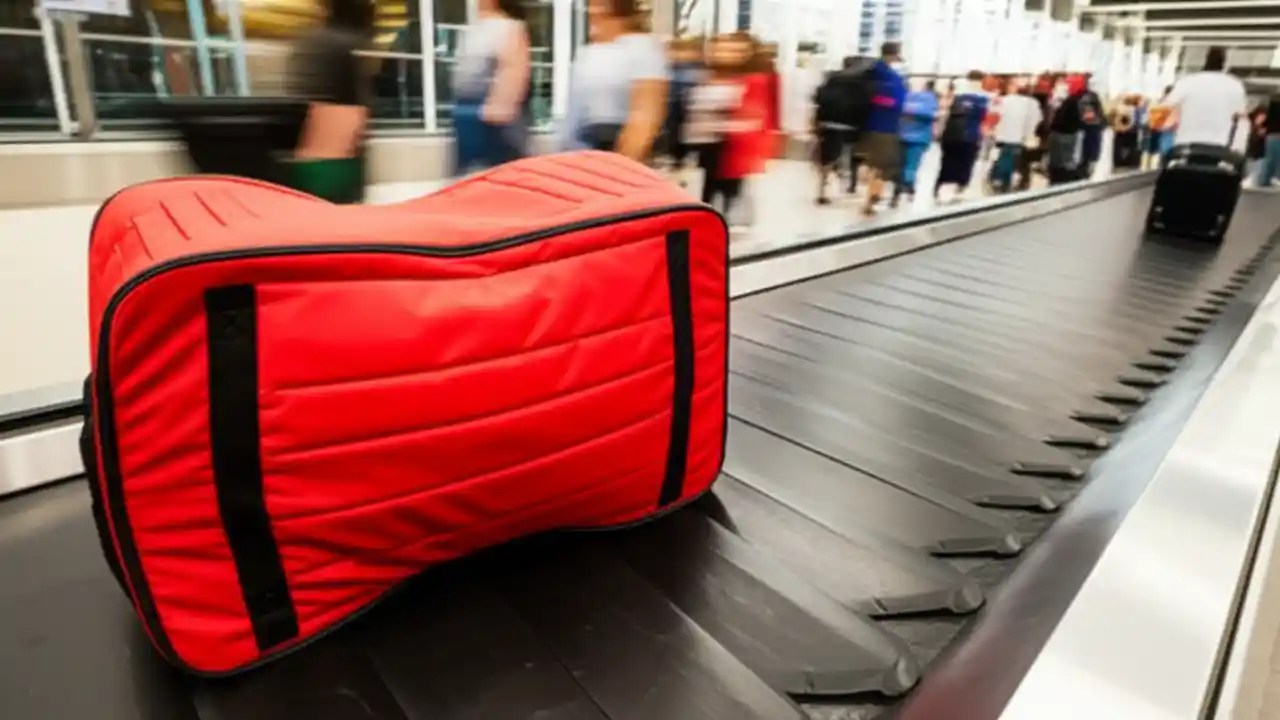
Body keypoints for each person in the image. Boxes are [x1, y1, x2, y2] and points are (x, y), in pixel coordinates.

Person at [286, 0, 374, 203]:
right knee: (341, 199)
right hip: (338, 130)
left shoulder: (309, 39)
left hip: (309, 132)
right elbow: (355, 94)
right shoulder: (349, 43)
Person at [560, 0, 669, 162]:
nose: (593, 10)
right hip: (584, 147)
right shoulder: (588, 53)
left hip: (620, 145)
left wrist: (624, 160)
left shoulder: (644, 48)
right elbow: (573, 112)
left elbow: (646, 113)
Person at [450, 0, 531, 175]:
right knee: (468, 175)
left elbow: (514, 68)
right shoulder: (472, 30)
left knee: (503, 175)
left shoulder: (509, 28)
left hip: (494, 114)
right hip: (467, 111)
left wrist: (501, 105)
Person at [813, 56, 873, 205]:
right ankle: (848, 185)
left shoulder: (831, 79)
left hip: (828, 123)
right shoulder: (862, 82)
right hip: (851, 125)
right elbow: (865, 104)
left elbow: (819, 98)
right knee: (852, 157)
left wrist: (819, 119)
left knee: (827, 158)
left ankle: (822, 191)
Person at [1165, 46, 1248, 152]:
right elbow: (1241, 115)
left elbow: (1168, 106)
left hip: (1186, 144)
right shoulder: (1235, 85)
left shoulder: (1187, 81)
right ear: (1224, 63)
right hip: (1220, 145)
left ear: (1205, 59)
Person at [857, 42, 907, 215]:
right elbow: (896, 103)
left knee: (875, 164)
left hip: (868, 124)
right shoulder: (890, 77)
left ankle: (873, 196)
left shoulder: (869, 72)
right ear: (893, 56)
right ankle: (870, 200)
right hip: (885, 126)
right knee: (881, 166)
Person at [935, 70, 989, 201]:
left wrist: (939, 132)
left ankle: (939, 186)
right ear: (982, 80)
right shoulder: (984, 97)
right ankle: (960, 187)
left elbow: (943, 113)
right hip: (971, 135)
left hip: (951, 134)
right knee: (966, 162)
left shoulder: (956, 94)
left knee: (947, 160)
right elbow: (985, 119)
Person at [988, 79, 1041, 192]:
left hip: (1004, 136)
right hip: (1023, 138)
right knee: (1020, 160)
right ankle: (1022, 182)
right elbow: (1038, 119)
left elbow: (993, 115)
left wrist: (993, 130)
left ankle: (1001, 181)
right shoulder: (1033, 102)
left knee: (1005, 158)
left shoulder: (1004, 100)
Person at [894, 78, 938, 206]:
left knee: (900, 164)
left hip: (901, 134)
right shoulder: (930, 100)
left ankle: (899, 188)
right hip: (919, 138)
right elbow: (933, 116)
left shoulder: (905, 97)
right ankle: (909, 187)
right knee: (912, 165)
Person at [1256, 95, 1280, 187]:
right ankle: (1268, 179)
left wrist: (1262, 127)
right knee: (1272, 158)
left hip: (1272, 134)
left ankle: (1265, 179)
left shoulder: (1272, 107)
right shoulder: (1273, 108)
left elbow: (1266, 121)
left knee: (1270, 159)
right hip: (1274, 134)